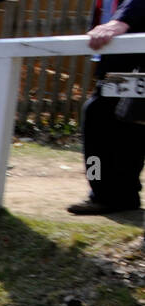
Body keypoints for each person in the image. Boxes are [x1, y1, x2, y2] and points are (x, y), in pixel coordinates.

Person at [68, 0, 145, 216]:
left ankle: (107, 194)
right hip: (119, 61)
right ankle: (113, 194)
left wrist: (121, 21)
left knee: (101, 117)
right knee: (116, 123)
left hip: (133, 63)